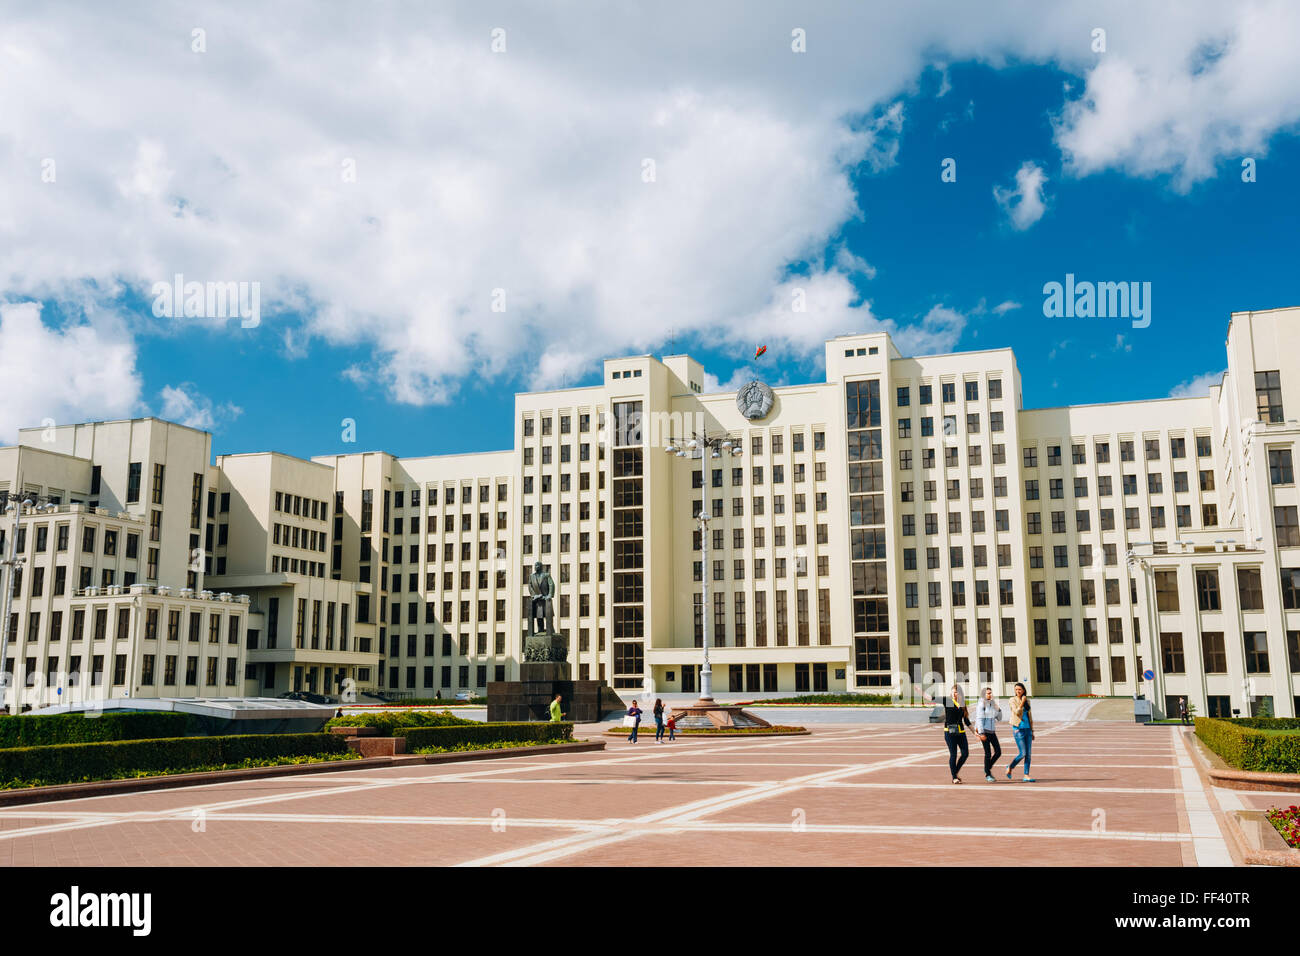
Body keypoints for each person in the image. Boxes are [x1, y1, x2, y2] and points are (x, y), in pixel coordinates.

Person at [941, 685, 973, 784]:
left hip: (961, 732)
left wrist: (975, 733)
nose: (955, 694)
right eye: (953, 692)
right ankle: (954, 777)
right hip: (950, 732)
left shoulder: (962, 704)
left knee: (965, 754)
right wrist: (920, 692)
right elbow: (931, 698)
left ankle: (955, 772)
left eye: (956, 692)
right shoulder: (948, 701)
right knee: (953, 755)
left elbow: (967, 721)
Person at [1007, 682, 1035, 782]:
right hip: (1018, 729)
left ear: (1023, 690)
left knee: (1028, 754)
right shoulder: (1012, 700)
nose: (1018, 691)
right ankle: (1010, 767)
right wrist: (1022, 702)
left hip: (1028, 729)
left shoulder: (1028, 700)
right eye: (1016, 690)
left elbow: (1030, 717)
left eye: (1020, 689)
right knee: (1022, 753)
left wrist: (1032, 731)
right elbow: (1017, 712)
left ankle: (1026, 775)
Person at [973, 687, 1003, 782]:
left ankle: (987, 767)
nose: (990, 695)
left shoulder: (992, 704)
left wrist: (998, 709)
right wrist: (981, 733)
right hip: (984, 731)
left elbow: (999, 718)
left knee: (998, 752)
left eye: (991, 693)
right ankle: (988, 774)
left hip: (992, 731)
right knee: (988, 754)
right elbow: (979, 719)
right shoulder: (981, 704)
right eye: (988, 693)